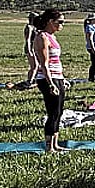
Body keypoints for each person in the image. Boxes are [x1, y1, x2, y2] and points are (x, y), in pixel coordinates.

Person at [32, 9, 69, 152]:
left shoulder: (52, 36)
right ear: (50, 22)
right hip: (48, 78)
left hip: (57, 76)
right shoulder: (42, 37)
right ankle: (49, 146)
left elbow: (56, 61)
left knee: (59, 112)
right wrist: (51, 83)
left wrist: (62, 79)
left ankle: (56, 143)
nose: (62, 25)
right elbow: (44, 63)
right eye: (60, 22)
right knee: (52, 113)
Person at [23, 12, 39, 84]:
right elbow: (28, 39)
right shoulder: (29, 27)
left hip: (34, 48)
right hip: (30, 48)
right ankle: (30, 80)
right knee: (34, 66)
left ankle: (33, 79)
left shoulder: (35, 27)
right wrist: (29, 49)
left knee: (36, 65)